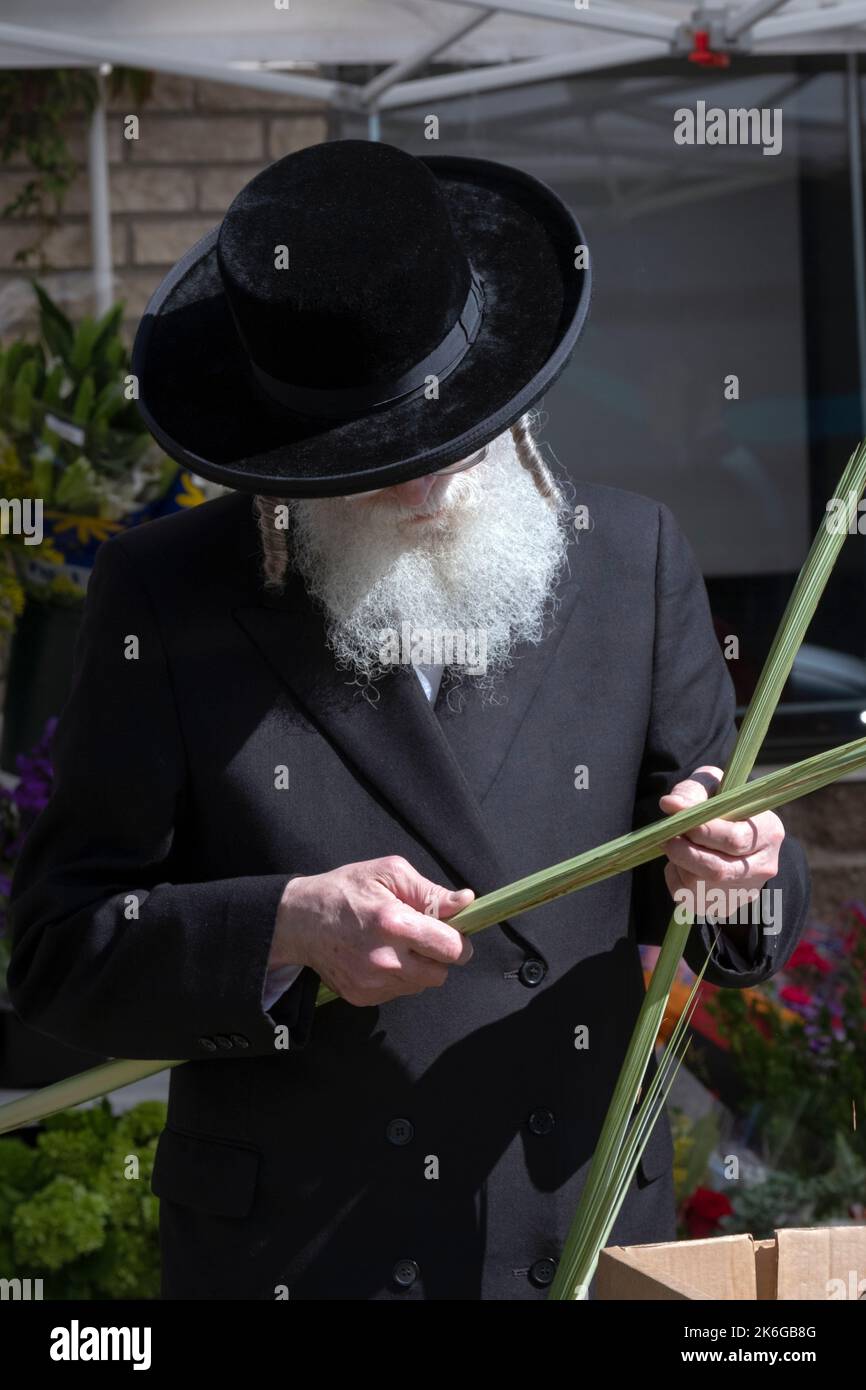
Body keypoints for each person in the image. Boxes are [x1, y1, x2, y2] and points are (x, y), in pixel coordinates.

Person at [8, 140, 810, 1300]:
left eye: (451, 437)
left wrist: (731, 867)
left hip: (565, 1227)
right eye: (377, 460)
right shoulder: (164, 596)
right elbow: (56, 952)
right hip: (303, 1249)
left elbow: (740, 919)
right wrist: (278, 928)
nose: (428, 486)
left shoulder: (631, 558)